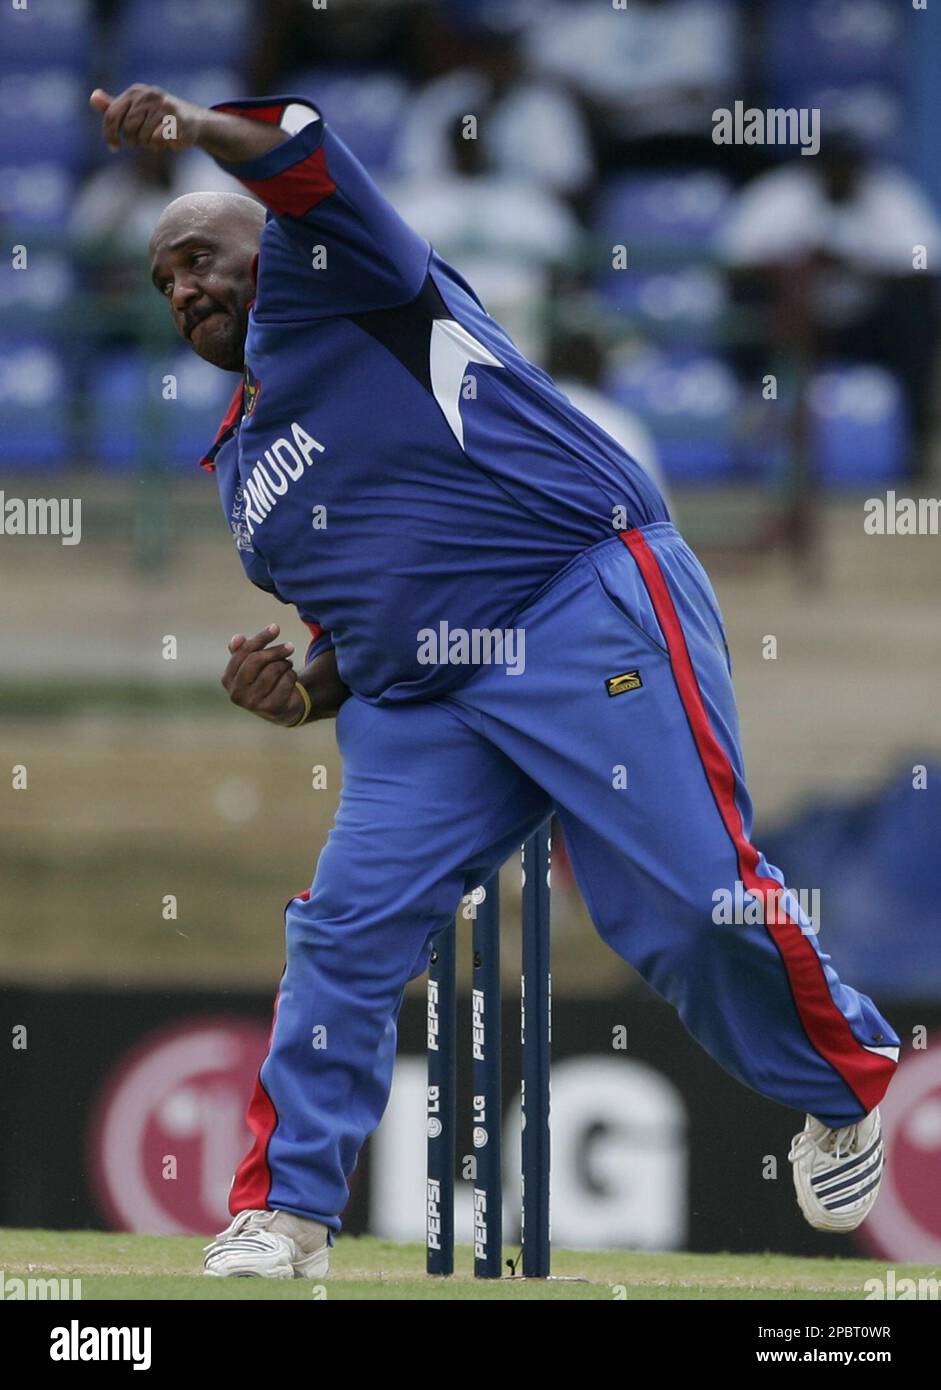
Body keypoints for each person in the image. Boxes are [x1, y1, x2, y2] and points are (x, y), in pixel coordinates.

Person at [90, 85, 899, 1279]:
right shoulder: (241, 476)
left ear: (269, 245)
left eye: (200, 258)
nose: (184, 289)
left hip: (575, 605)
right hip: (420, 703)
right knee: (343, 933)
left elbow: (302, 142)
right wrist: (298, 692)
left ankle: (844, 1087)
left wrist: (199, 131)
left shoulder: (344, 274)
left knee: (683, 906)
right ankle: (290, 1215)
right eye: (163, 283)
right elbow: (349, 633)